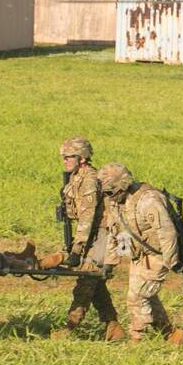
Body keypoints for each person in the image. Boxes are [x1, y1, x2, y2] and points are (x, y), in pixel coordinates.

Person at [42, 136, 122, 340]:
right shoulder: (75, 177)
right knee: (96, 281)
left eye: (69, 157)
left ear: (82, 158)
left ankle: (70, 327)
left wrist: (77, 249)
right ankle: (113, 326)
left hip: (105, 234)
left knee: (86, 281)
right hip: (93, 234)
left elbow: (87, 217)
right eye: (64, 157)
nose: (65, 161)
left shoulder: (89, 180)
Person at [98, 162, 183, 344]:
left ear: (122, 186)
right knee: (147, 295)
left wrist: (171, 261)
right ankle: (171, 334)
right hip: (139, 255)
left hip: (158, 254)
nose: (109, 198)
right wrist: (110, 262)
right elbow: (115, 232)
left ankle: (138, 337)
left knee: (136, 296)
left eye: (110, 193)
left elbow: (166, 232)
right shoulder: (116, 201)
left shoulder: (148, 200)